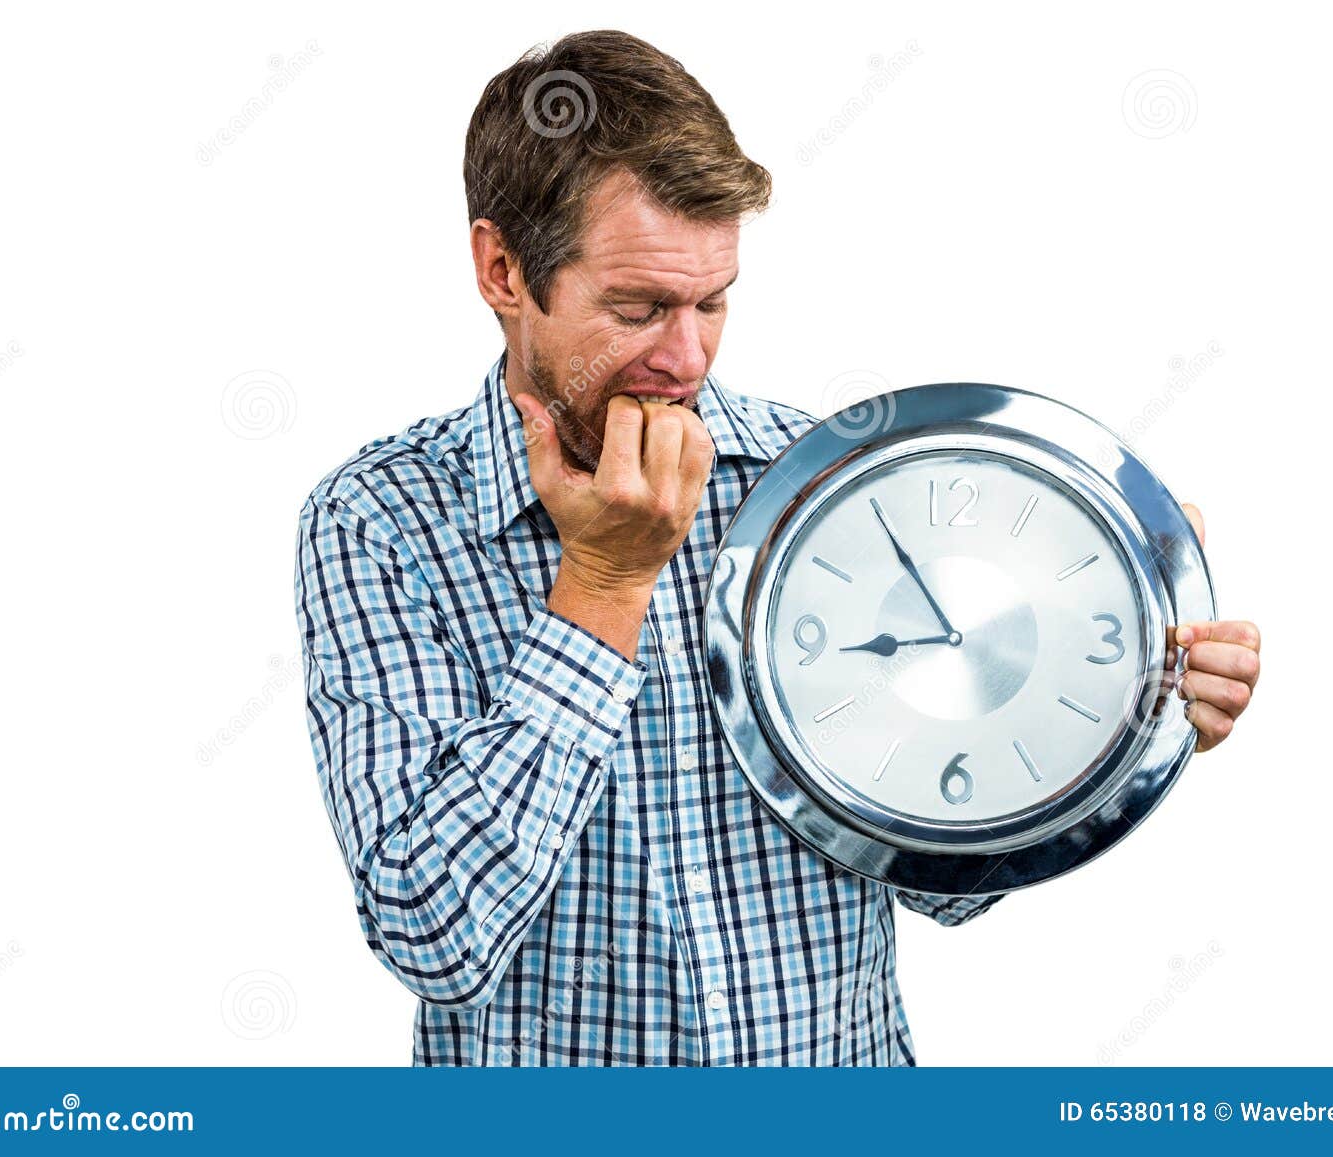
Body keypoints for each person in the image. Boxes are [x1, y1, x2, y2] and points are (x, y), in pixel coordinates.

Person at [293, 29, 1262, 1066]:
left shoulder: (819, 485)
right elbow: (431, 932)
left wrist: (1124, 726)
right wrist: (605, 583)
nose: (686, 356)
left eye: (713, 302)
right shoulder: (379, 518)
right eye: (637, 307)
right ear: (501, 269)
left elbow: (934, 873)